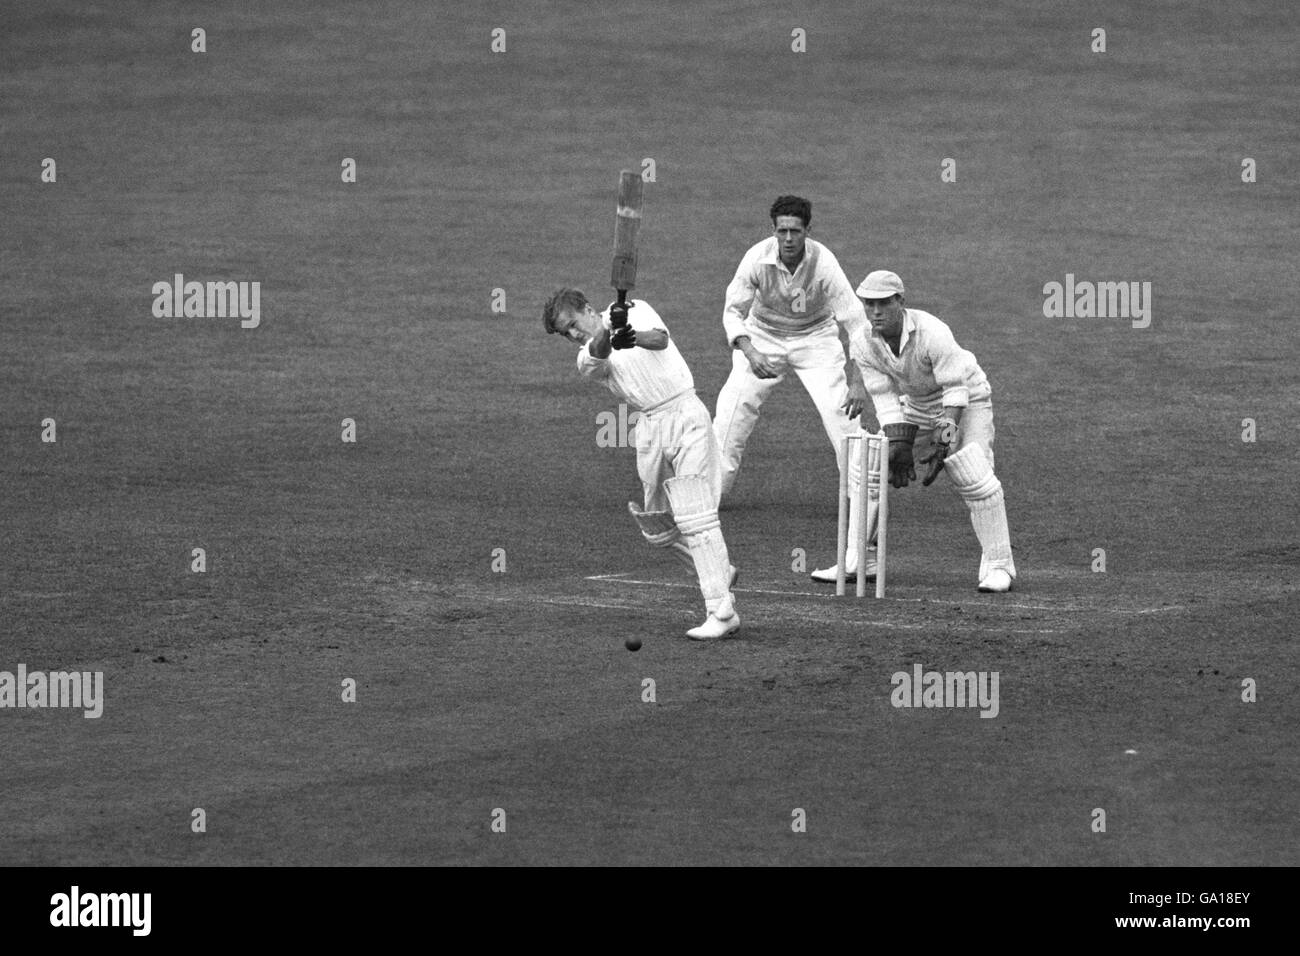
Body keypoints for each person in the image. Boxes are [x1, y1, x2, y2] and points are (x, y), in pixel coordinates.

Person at [542, 287, 740, 639]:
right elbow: (600, 351)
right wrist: (609, 334)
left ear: (588, 309)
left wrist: (629, 334)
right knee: (658, 528)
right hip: (648, 427)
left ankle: (721, 611)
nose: (572, 334)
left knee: (697, 514)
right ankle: (718, 570)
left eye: (572, 324)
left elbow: (660, 340)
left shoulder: (634, 309)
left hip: (685, 412)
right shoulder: (585, 355)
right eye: (564, 333)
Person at [811, 270, 1016, 592]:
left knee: (975, 475)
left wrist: (946, 434)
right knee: (870, 462)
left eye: (883, 304)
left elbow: (955, 388)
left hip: (968, 397)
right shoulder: (864, 341)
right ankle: (860, 559)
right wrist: (900, 441)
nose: (875, 312)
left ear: (900, 302)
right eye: (869, 305)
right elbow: (883, 395)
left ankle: (1000, 566)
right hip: (918, 403)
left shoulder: (933, 331)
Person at [713, 195, 869, 501]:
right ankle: (710, 498)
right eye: (781, 231)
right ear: (772, 229)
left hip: (816, 339)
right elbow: (733, 310)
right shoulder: (756, 258)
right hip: (762, 337)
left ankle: (863, 501)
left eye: (795, 231)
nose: (787, 239)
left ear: (808, 230)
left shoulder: (824, 263)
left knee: (843, 418)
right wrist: (750, 351)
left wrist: (858, 382)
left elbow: (857, 323)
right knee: (731, 415)